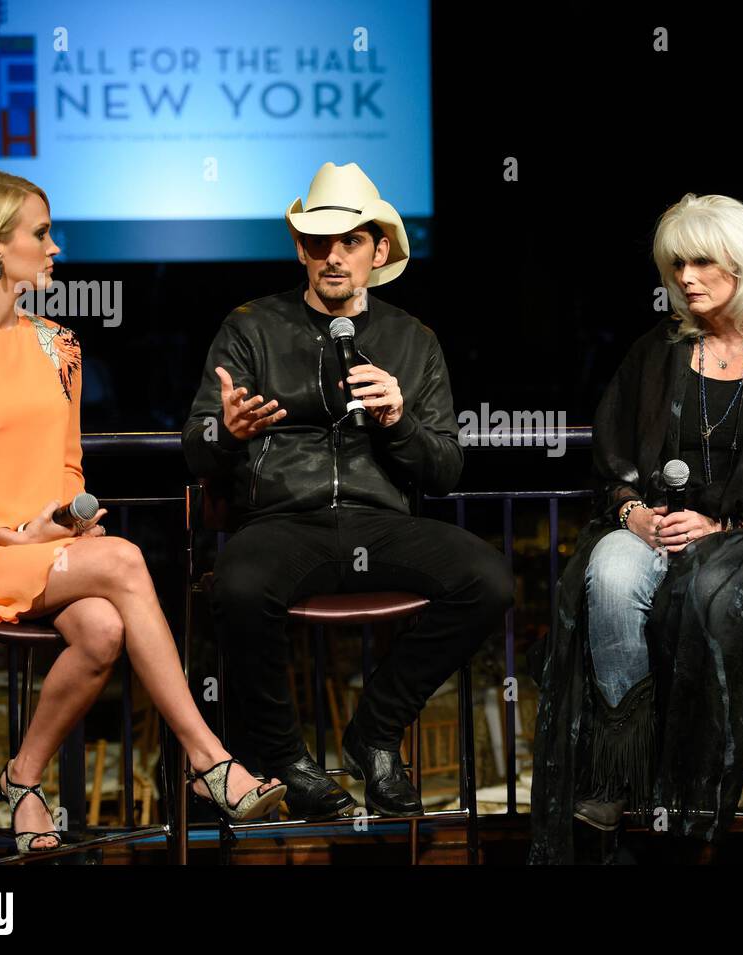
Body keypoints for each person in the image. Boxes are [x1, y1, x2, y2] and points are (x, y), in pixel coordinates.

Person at [0, 167, 286, 854]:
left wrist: (69, 515)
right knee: (127, 559)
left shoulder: (60, 345)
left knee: (102, 627)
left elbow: (68, 463)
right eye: (40, 234)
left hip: (41, 552)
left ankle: (24, 778)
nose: (54, 248)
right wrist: (10, 533)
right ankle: (210, 761)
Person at [183, 161, 513, 819]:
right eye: (317, 243)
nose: (332, 258)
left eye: (350, 242)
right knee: (239, 586)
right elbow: (195, 448)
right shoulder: (251, 326)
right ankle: (284, 756)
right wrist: (229, 430)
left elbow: (445, 469)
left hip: (378, 520)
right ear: (300, 249)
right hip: (284, 520)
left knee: (489, 580)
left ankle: (376, 731)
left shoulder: (413, 339)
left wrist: (399, 421)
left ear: (379, 249)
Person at [529, 193, 743, 863]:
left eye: (703, 261)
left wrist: (722, 520)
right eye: (678, 264)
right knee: (609, 571)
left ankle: (687, 793)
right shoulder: (655, 353)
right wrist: (632, 511)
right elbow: (611, 455)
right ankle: (622, 771)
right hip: (651, 530)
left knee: (706, 597)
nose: (686, 277)